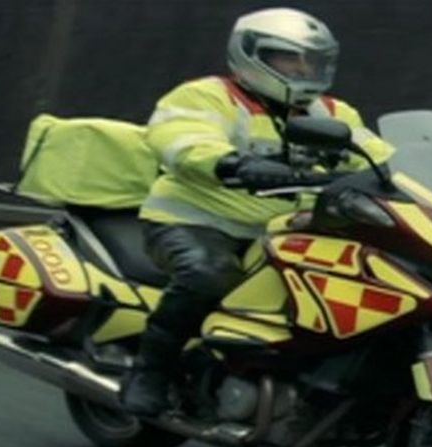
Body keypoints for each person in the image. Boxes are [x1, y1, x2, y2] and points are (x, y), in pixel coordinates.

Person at [121, 7, 393, 415]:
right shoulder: (206, 96)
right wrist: (234, 163)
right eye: (289, 58)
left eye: (311, 60)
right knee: (208, 276)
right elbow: (182, 139)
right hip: (198, 221)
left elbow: (376, 156)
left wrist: (407, 177)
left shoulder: (335, 115)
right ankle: (150, 373)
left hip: (288, 231)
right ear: (252, 56)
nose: (303, 69)